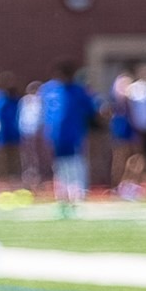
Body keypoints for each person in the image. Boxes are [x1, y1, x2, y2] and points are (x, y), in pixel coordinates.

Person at [37, 61, 98, 215]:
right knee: (60, 167)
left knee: (75, 165)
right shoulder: (49, 90)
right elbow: (43, 113)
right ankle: (63, 197)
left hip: (74, 135)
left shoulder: (78, 90)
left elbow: (92, 110)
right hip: (55, 136)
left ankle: (77, 196)